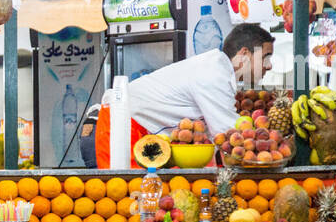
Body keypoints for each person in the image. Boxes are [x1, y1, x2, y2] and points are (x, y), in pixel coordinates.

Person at [95, 23, 276, 167]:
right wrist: (272, 149)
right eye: (265, 57)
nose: (269, 66)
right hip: (122, 125)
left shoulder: (218, 69)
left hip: (143, 130)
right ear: (244, 54)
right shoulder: (214, 75)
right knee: (127, 197)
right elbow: (230, 137)